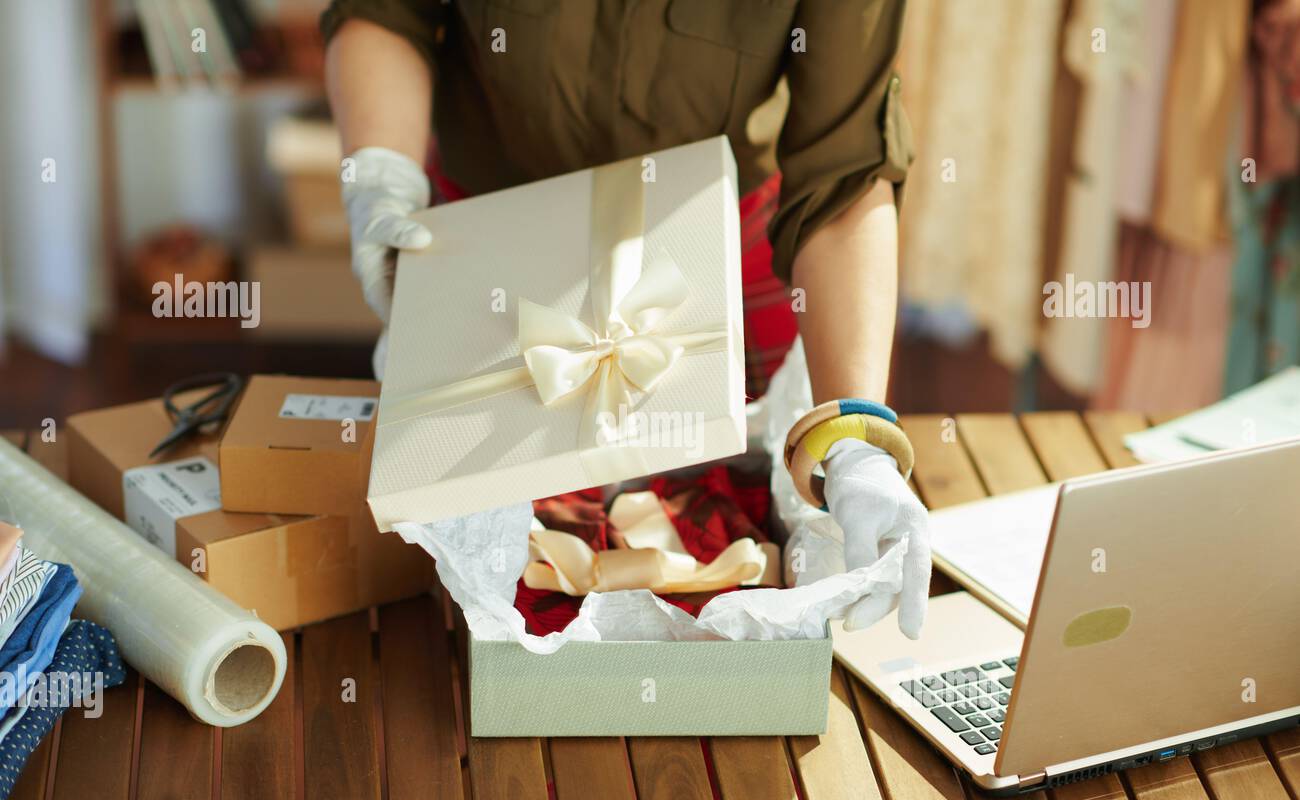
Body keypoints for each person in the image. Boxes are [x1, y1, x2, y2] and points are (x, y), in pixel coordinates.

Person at [322, 0, 931, 636]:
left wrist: (858, 436)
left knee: (737, 483)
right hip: (488, 266)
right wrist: (381, 179)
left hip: (719, 267)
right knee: (440, 602)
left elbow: (846, 167)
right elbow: (387, 13)